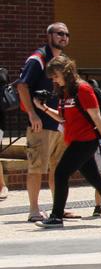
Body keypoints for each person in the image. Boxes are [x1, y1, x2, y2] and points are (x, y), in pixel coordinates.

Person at [31, 55, 101, 227]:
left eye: (56, 76)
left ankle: (56, 217)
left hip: (86, 140)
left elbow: (97, 117)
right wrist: (42, 108)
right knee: (95, 178)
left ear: (65, 72)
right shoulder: (65, 91)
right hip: (75, 139)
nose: (54, 80)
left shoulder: (83, 89)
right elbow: (62, 118)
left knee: (60, 173)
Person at [15, 22, 70, 222]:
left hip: (60, 123)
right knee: (37, 168)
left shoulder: (62, 60)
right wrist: (32, 114)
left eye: (66, 34)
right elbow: (22, 86)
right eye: (59, 34)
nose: (63, 37)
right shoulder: (37, 59)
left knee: (60, 169)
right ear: (49, 36)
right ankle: (33, 210)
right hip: (41, 124)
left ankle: (58, 209)